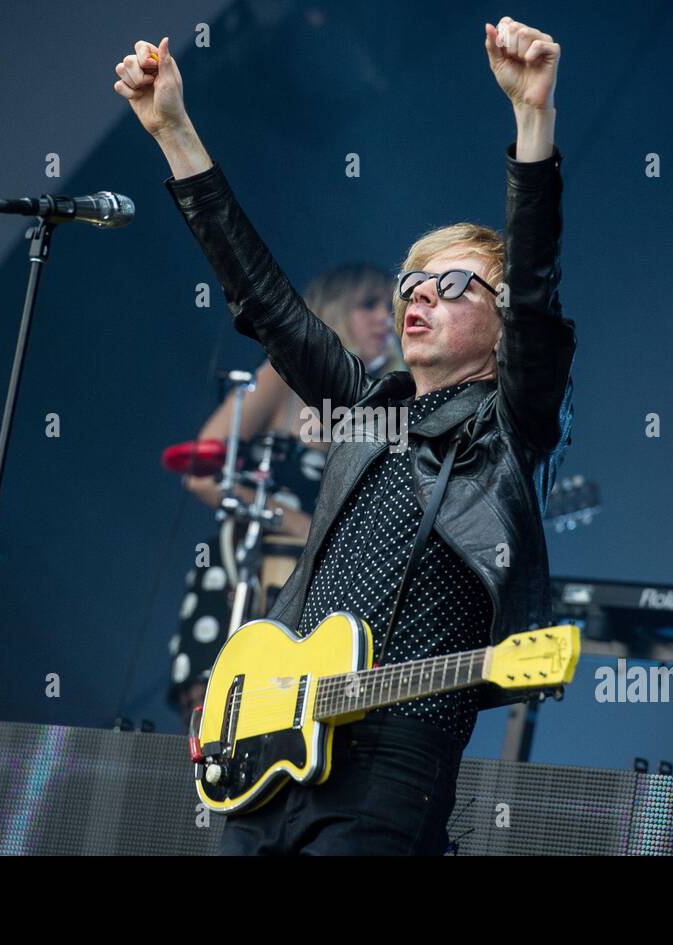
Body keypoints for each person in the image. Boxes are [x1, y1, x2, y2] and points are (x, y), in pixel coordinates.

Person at [115, 15, 575, 854]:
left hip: (392, 765)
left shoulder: (511, 428)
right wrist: (175, 133)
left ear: (501, 323)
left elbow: (538, 292)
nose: (419, 297)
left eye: (452, 285)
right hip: (274, 744)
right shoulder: (370, 408)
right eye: (412, 283)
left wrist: (532, 121)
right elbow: (268, 307)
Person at [169, 264, 403, 728]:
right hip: (249, 577)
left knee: (299, 730)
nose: (386, 319)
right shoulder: (281, 378)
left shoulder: (391, 402)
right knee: (216, 723)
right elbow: (199, 471)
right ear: (334, 312)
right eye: (369, 305)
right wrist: (295, 523)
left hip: (326, 593)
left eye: (389, 307)